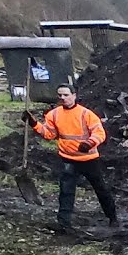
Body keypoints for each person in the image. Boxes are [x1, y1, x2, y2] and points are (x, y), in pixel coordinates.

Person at [23, 84, 119, 232]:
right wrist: (34, 124)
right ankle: (64, 223)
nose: (62, 98)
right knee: (66, 191)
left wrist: (89, 143)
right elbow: (49, 134)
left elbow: (100, 133)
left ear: (74, 95)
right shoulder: (54, 114)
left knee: (101, 189)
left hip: (89, 159)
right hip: (68, 159)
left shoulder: (86, 114)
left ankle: (112, 218)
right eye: (60, 95)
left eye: (66, 95)